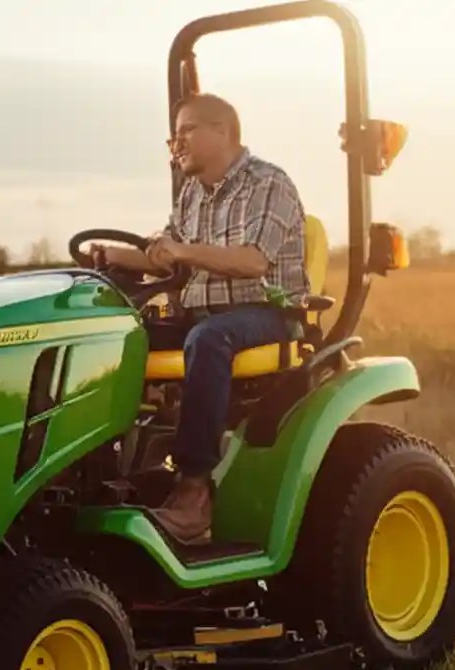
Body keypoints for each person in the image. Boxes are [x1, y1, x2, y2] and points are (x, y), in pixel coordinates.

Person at [96, 93, 308, 546]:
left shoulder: (269, 184)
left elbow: (253, 261)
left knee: (208, 338)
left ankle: (194, 491)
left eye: (187, 130)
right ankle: (112, 472)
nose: (177, 141)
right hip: (202, 315)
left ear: (224, 132)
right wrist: (112, 255)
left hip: (266, 314)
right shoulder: (193, 193)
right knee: (121, 335)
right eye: (174, 134)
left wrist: (182, 252)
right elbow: (166, 258)